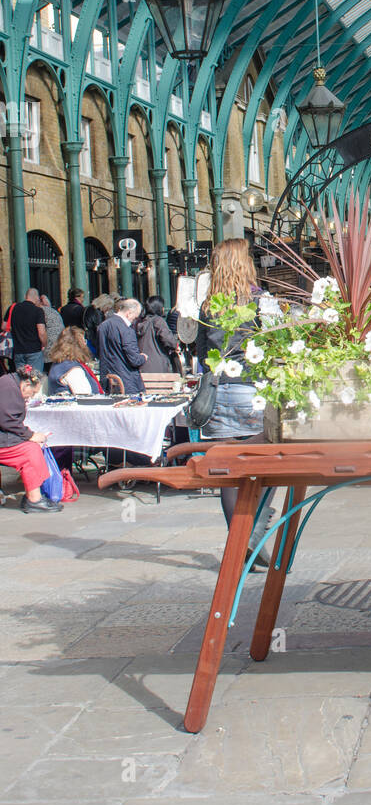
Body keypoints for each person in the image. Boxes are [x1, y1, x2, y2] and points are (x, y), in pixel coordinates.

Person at [196, 238, 273, 564]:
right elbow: (274, 344)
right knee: (266, 464)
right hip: (250, 389)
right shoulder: (259, 301)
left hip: (217, 391)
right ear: (246, 263)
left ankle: (240, 545)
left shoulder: (208, 306)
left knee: (228, 473)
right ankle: (254, 537)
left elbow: (201, 355)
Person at [0, 364, 62, 513]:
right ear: (26, 384)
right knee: (30, 451)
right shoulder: (8, 387)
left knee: (31, 448)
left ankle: (33, 496)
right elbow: (7, 420)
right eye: (32, 393)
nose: (31, 397)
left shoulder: (9, 383)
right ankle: (34, 499)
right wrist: (31, 435)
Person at [97, 297, 147, 394]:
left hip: (108, 380)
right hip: (127, 381)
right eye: (135, 317)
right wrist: (143, 357)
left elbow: (101, 352)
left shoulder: (103, 326)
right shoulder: (126, 330)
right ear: (129, 313)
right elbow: (134, 359)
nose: (134, 320)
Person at [46, 326, 102, 395]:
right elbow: (84, 395)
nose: (86, 344)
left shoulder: (57, 365)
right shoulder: (73, 369)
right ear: (79, 346)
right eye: (84, 341)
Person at [4, 288, 47, 372]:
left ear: (25, 296)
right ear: (37, 298)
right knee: (35, 379)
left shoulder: (13, 308)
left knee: (21, 379)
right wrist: (44, 344)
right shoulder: (38, 311)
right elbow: (41, 332)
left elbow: (4, 326)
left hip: (18, 350)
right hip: (34, 350)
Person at [135, 295, 180, 374]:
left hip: (142, 366)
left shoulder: (139, 322)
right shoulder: (158, 321)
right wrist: (175, 345)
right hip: (158, 365)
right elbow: (168, 339)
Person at [84, 292, 113, 357]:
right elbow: (100, 328)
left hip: (88, 337)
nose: (108, 310)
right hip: (93, 339)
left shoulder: (88, 308)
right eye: (108, 307)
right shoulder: (98, 312)